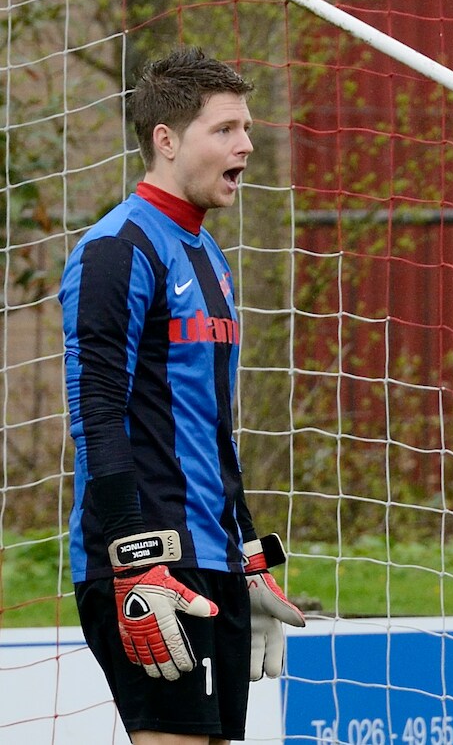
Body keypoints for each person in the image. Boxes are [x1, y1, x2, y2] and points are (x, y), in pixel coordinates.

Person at [61, 47, 306, 744]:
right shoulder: (118, 248)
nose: (248, 144)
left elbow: (211, 429)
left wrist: (248, 555)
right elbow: (96, 412)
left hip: (214, 558)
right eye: (225, 129)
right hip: (147, 563)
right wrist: (133, 563)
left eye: (248, 127)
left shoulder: (208, 255)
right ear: (166, 141)